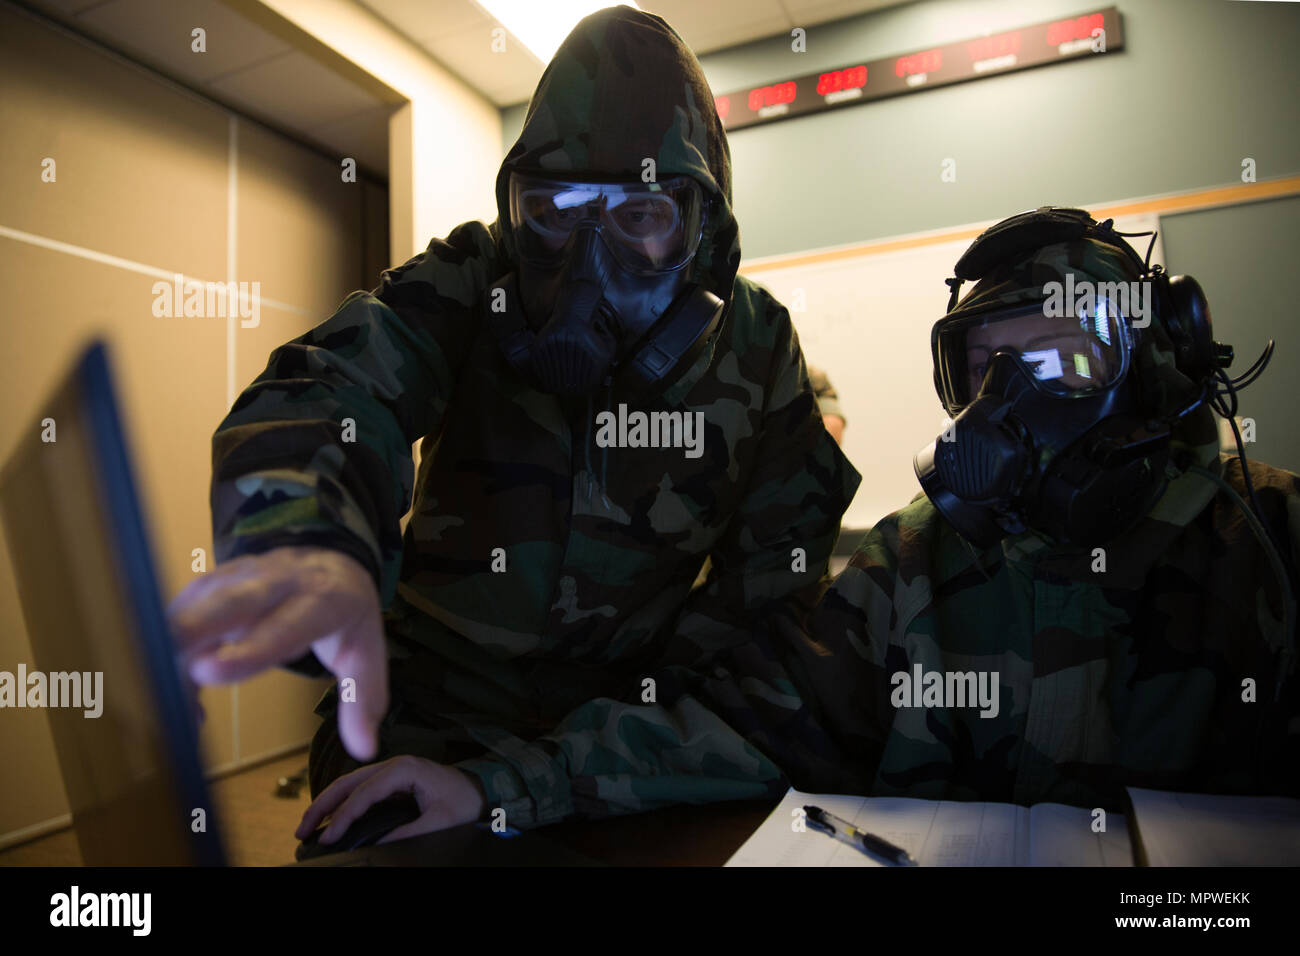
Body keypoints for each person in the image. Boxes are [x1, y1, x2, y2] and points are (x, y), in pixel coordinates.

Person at [168, 6, 859, 840]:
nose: (586, 263)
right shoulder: (473, 276)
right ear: (517, 207)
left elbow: (770, 634)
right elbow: (334, 388)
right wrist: (310, 535)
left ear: (702, 230)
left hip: (631, 739)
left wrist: (551, 776)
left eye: (640, 216)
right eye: (557, 209)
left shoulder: (756, 348)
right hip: (424, 728)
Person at [791, 206, 1299, 811]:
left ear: (1155, 367)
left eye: (1061, 358)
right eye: (984, 373)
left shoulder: (1279, 534)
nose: (1008, 404)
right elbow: (763, 726)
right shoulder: (908, 557)